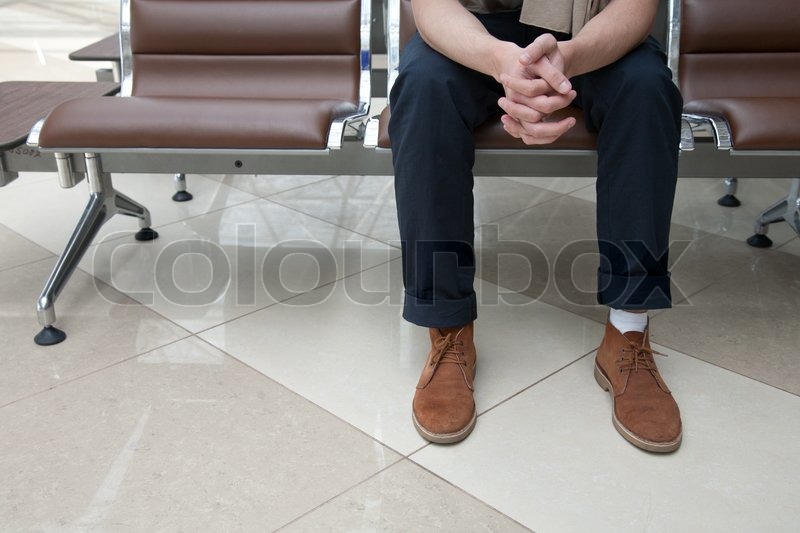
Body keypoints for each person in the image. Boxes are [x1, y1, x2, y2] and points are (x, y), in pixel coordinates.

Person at [389, 0, 683, 452]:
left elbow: (635, 7)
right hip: (472, 31)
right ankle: (448, 329)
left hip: (591, 31)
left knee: (646, 87)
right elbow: (433, 7)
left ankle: (627, 328)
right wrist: (500, 60)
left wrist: (568, 60)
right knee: (423, 87)